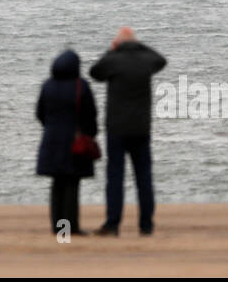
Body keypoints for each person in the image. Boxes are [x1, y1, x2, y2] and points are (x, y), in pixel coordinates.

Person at [90, 26, 166, 236]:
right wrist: (138, 45)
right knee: (144, 177)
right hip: (141, 128)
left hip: (117, 128)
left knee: (115, 177)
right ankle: (146, 225)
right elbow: (161, 60)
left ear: (117, 44)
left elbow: (94, 72)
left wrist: (112, 50)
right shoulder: (146, 61)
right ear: (137, 43)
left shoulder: (113, 60)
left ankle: (113, 224)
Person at [35, 48, 98, 236]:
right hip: (73, 142)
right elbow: (90, 114)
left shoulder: (47, 85)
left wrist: (51, 128)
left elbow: (39, 113)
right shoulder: (81, 86)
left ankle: (58, 228)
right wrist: (90, 134)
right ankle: (69, 229)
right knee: (71, 185)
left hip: (51, 141)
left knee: (57, 185)